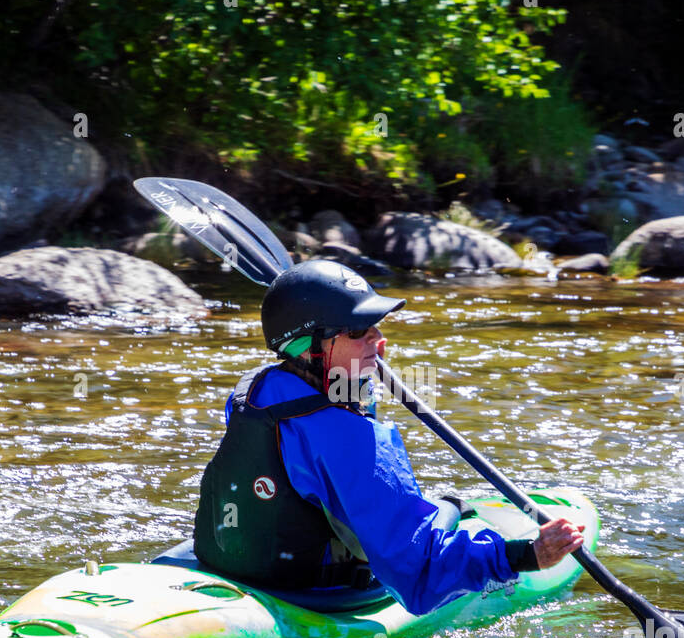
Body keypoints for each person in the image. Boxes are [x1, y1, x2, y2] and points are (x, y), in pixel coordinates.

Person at [194, 259, 585, 612]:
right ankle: (455, 512)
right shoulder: (350, 437)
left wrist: (356, 382)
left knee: (438, 506)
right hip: (310, 590)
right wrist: (526, 556)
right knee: (452, 509)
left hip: (229, 558)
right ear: (312, 345)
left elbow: (308, 431)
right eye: (360, 329)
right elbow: (417, 569)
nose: (378, 339)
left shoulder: (254, 390)